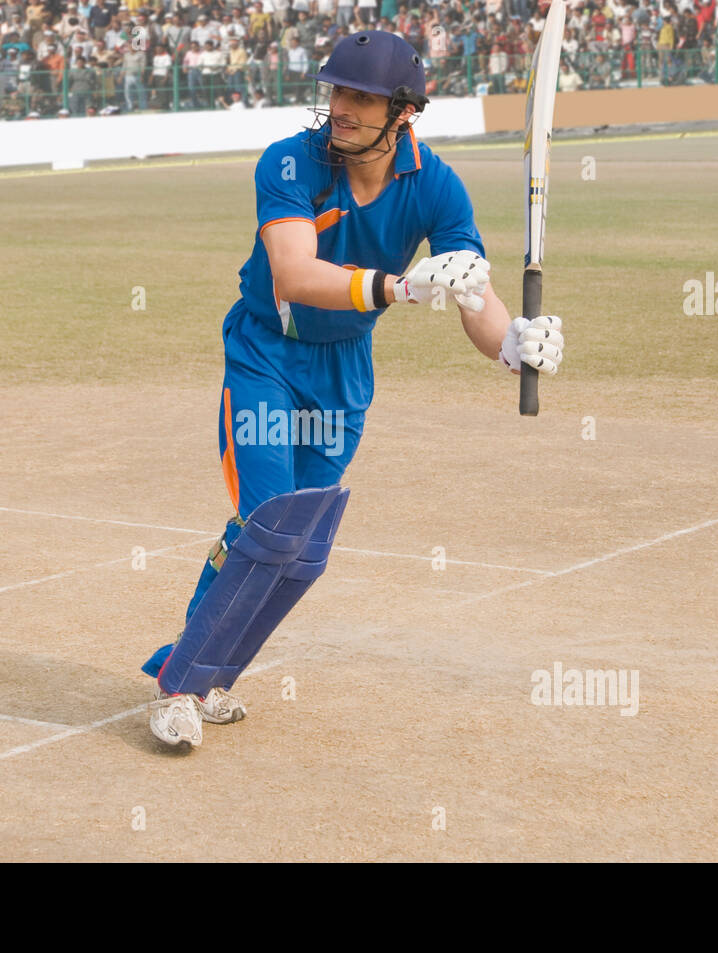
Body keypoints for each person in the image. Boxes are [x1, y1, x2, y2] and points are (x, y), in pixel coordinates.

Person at [141, 31, 567, 750]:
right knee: (267, 516)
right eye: (336, 90)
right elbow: (293, 272)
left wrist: (512, 346)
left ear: (402, 112)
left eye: (361, 97)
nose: (339, 107)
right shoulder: (289, 160)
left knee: (301, 540)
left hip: (343, 370)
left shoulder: (435, 184)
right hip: (265, 356)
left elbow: (472, 291)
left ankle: (215, 673)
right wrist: (398, 286)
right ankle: (178, 683)